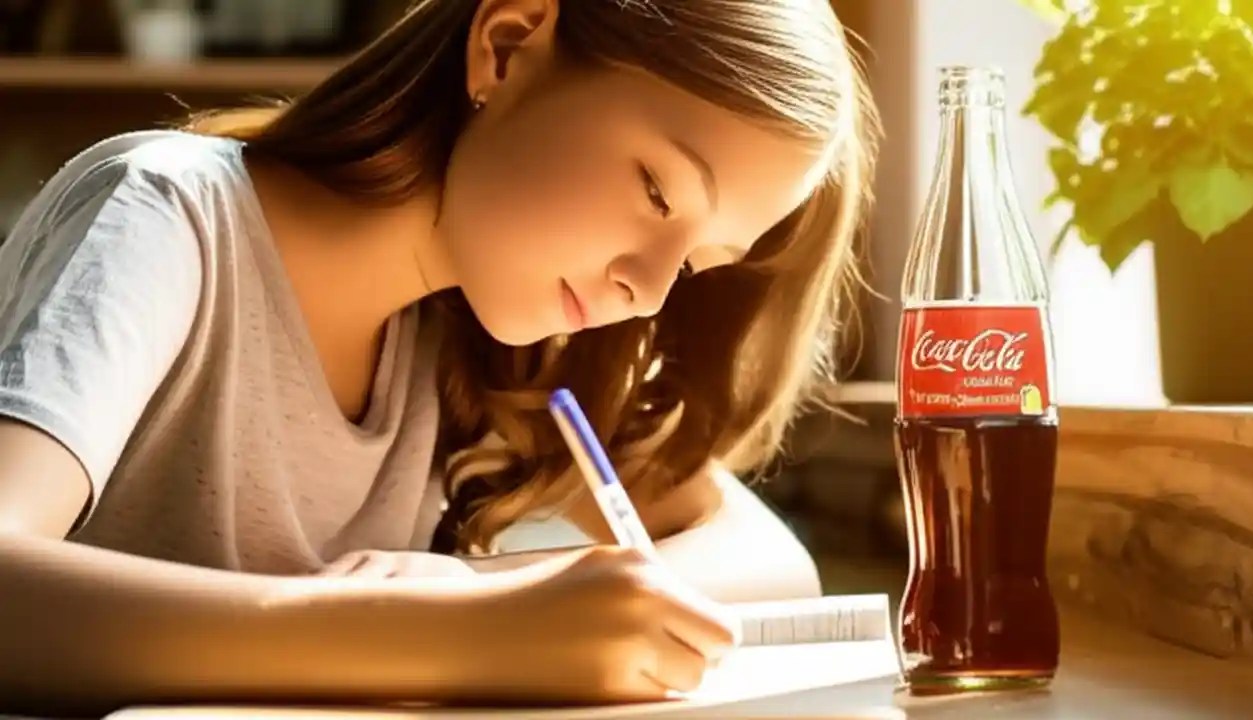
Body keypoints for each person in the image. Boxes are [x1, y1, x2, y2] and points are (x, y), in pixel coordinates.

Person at [0, 0, 880, 714]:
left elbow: (768, 559)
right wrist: (458, 634)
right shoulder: (167, 215)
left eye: (692, 264)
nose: (648, 291)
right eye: (658, 192)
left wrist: (479, 588)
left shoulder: (477, 343)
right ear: (507, 46)